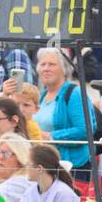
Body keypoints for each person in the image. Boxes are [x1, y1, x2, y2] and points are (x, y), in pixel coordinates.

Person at [32, 47, 94, 178]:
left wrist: (50, 137)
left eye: (52, 64)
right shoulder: (41, 96)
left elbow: (85, 129)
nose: (46, 68)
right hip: (45, 165)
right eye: (43, 64)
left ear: (64, 69)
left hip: (72, 168)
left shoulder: (74, 93)